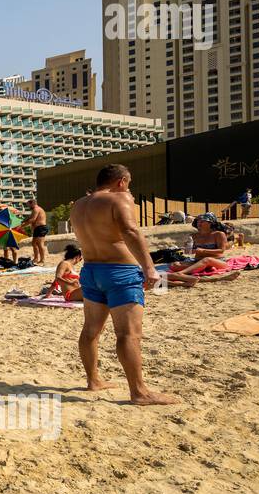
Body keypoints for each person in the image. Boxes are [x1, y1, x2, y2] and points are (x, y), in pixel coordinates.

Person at [70, 163, 178, 405]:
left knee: (90, 330)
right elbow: (130, 231)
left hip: (91, 271)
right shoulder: (119, 199)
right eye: (128, 184)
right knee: (128, 334)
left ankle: (93, 380)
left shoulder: (79, 205)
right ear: (121, 181)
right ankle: (139, 392)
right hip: (120, 272)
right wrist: (150, 268)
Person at [22, 200, 49, 265]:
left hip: (41, 228)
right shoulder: (34, 210)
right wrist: (23, 221)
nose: (28, 207)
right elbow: (29, 218)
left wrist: (22, 226)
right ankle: (36, 258)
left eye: (28, 205)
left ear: (32, 204)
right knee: (34, 243)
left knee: (40, 244)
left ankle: (42, 260)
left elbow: (32, 219)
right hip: (38, 229)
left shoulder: (36, 209)